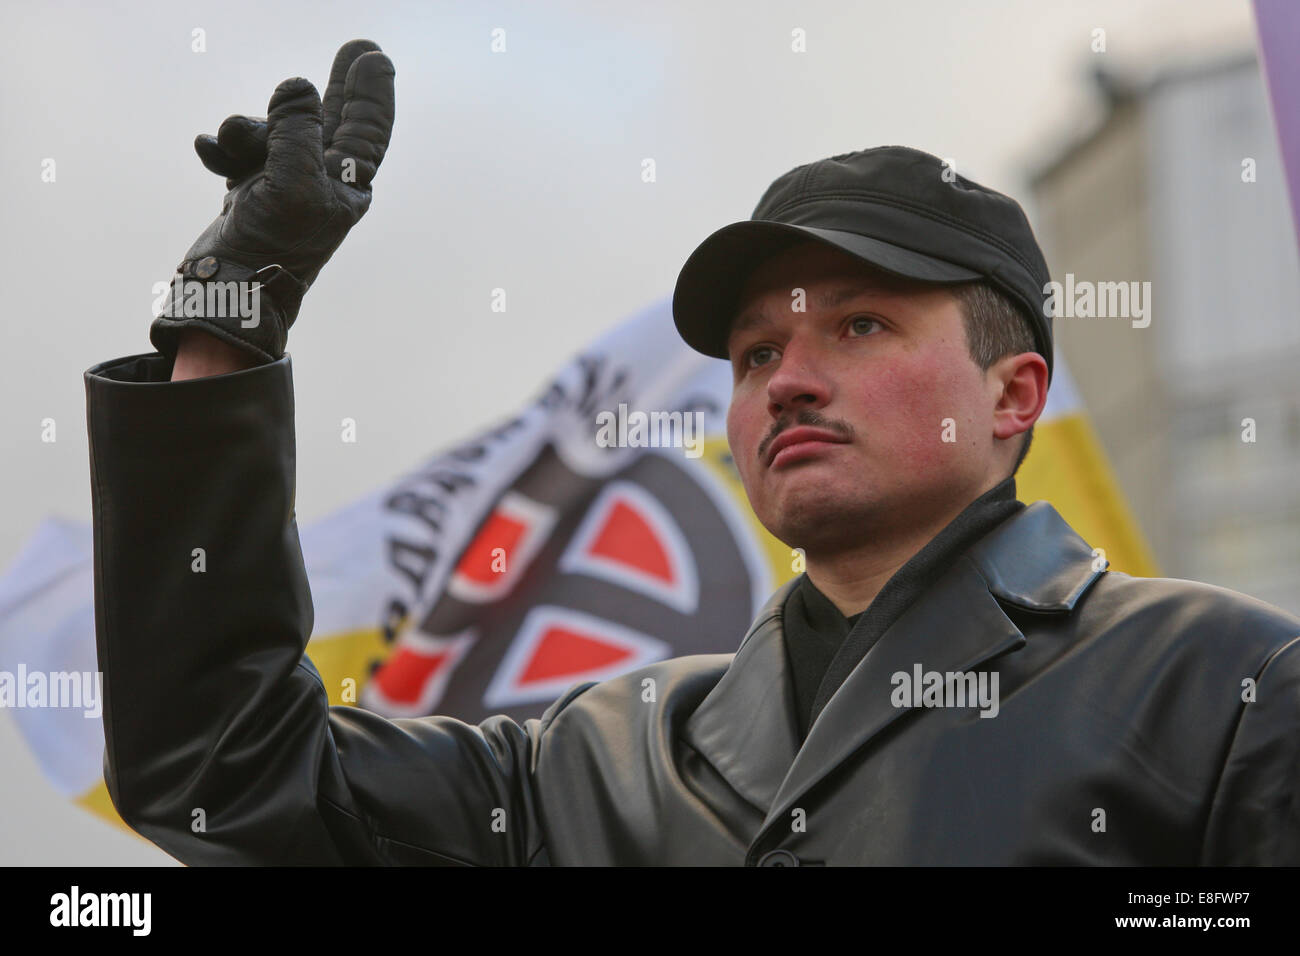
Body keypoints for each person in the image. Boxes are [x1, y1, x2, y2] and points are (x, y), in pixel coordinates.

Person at [84, 39, 1300, 866]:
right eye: (757, 351)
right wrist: (229, 319)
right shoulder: (596, 760)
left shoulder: (1227, 687)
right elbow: (222, 766)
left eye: (861, 323)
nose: (792, 377)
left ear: (1013, 392)